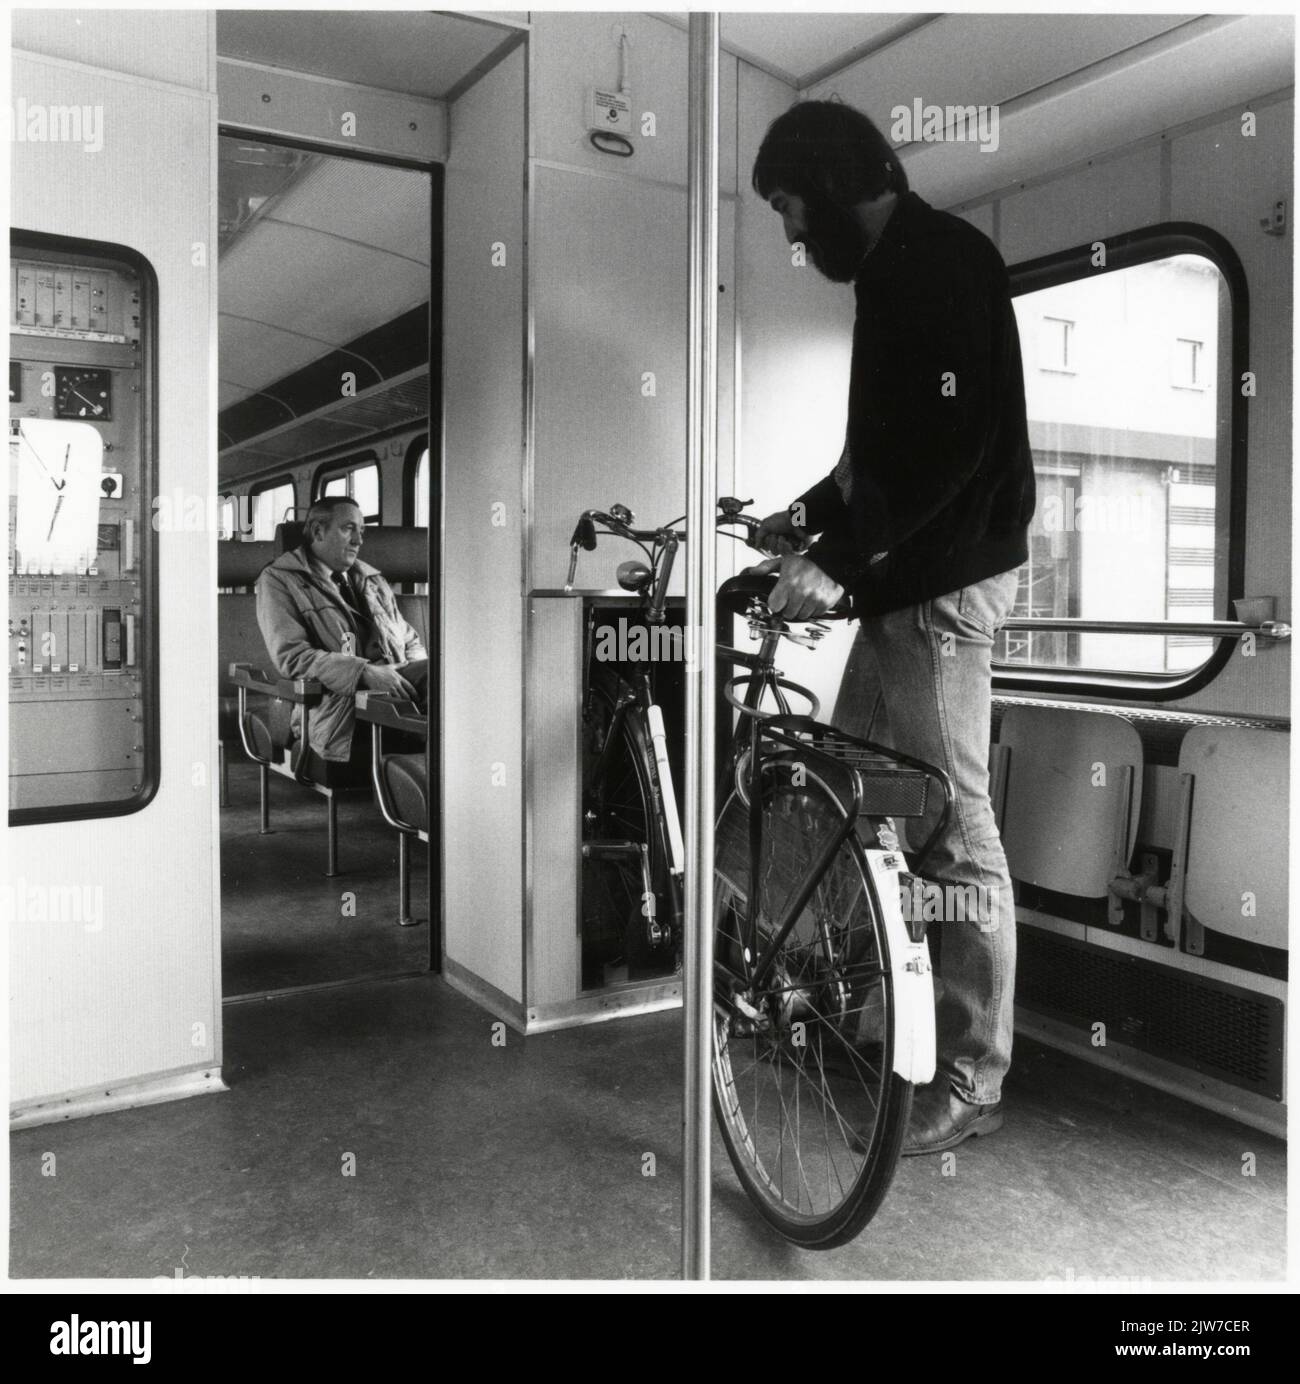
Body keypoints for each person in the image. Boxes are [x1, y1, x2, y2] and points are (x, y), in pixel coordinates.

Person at [749, 100, 1036, 1155]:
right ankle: (872, 1016)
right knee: (853, 786)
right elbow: (878, 459)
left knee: (954, 826)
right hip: (905, 585)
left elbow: (952, 446)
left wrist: (832, 564)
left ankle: (968, 1075)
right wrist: (802, 520)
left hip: (946, 590)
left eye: (787, 206)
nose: (787, 233)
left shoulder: (940, 262)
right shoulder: (892, 272)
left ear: (827, 183)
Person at [256, 495, 427, 771]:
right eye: (349, 528)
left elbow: (409, 639)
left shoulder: (374, 581)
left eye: (362, 531)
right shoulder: (279, 580)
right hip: (338, 706)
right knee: (440, 683)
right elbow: (293, 657)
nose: (359, 540)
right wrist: (363, 673)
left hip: (395, 693)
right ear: (318, 531)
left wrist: (408, 672)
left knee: (445, 677)